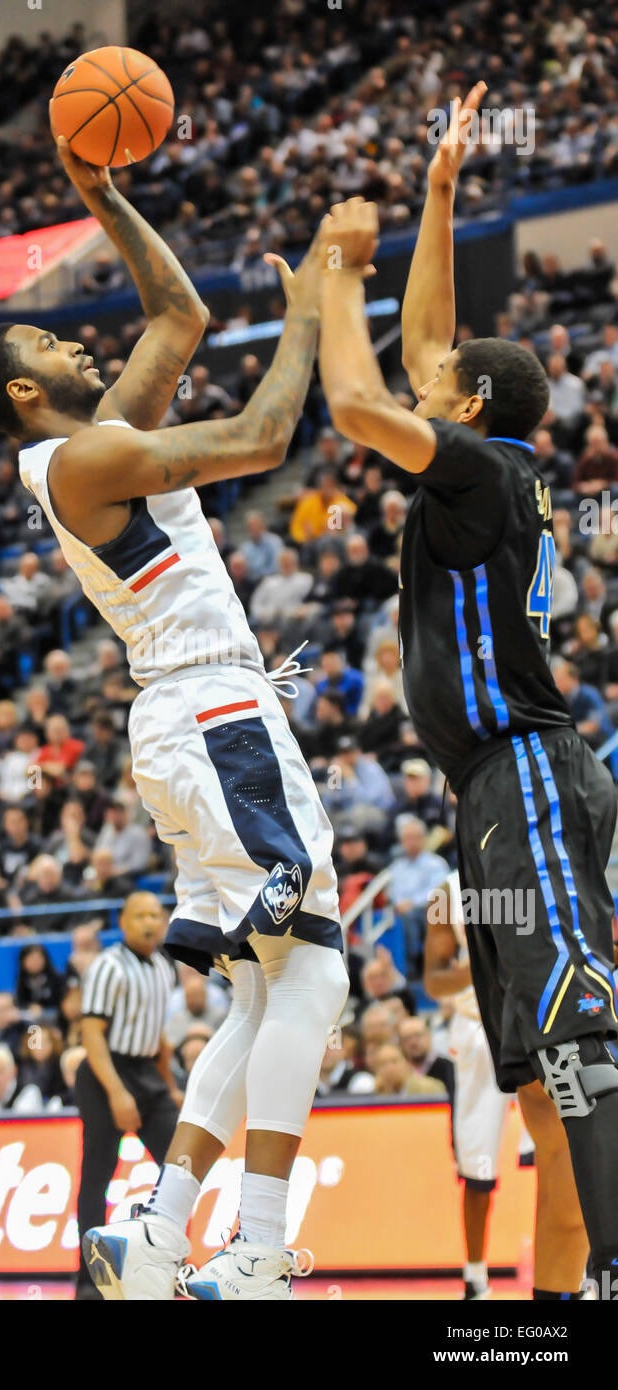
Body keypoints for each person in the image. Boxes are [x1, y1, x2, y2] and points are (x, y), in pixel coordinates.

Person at [0, 132, 348, 1300]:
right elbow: (263, 440)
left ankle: (159, 1233)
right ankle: (260, 1241)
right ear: (24, 392)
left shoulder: (97, 447)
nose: (76, 338)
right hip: (217, 714)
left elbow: (172, 317)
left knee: (260, 983)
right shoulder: (79, 464)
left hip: (191, 721)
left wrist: (104, 197)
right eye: (47, 341)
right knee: (314, 966)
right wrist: (311, 323)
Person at [318, 85, 618, 1300]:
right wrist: (437, 194)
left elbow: (353, 402)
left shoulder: (481, 472)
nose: (419, 383)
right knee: (547, 1098)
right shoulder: (491, 471)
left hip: (528, 773)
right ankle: (547, 1317)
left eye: (436, 388)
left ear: (468, 412)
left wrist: (338, 276)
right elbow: (430, 350)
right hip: (488, 788)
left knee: (581, 1043)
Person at [425, 873, 537, 1301]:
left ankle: (566, 1270)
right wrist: (485, 963)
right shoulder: (447, 892)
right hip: (477, 1033)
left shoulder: (536, 868)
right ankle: (475, 1278)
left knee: (556, 1153)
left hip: (536, 1026)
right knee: (477, 1167)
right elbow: (435, 982)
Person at [73, 893, 180, 1301]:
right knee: (97, 1177)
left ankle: (162, 1266)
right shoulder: (107, 966)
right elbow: (91, 1035)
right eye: (141, 916)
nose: (150, 922)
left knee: (179, 1171)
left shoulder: (162, 967)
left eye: (156, 915)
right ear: (123, 921)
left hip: (146, 1070)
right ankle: (90, 1281)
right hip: (105, 1073)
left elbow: (159, 1037)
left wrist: (169, 1085)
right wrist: (117, 1092)